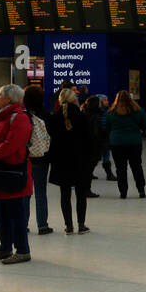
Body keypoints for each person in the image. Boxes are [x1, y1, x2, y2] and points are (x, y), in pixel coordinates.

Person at [0, 84, 33, 265]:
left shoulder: (20, 118)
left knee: (17, 214)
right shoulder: (1, 116)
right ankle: (5, 248)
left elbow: (12, 145)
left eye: (0, 95)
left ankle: (22, 250)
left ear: (9, 98)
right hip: (0, 171)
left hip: (13, 172)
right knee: (2, 213)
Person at [48, 87, 92, 234]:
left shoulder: (54, 118)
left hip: (61, 161)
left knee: (65, 194)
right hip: (80, 160)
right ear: (74, 99)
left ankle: (68, 226)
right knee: (81, 193)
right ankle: (81, 224)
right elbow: (89, 139)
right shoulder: (82, 117)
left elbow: (51, 141)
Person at [106, 90, 146, 198]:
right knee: (136, 167)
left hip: (117, 143)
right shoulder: (138, 111)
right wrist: (141, 134)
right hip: (134, 143)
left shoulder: (111, 112)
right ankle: (141, 190)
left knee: (120, 169)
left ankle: (123, 192)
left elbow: (107, 128)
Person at [22, 85, 54, 236]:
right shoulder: (45, 114)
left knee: (25, 192)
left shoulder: (22, 114)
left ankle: (23, 224)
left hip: (24, 157)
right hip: (41, 157)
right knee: (41, 191)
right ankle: (42, 225)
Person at [83, 95, 105, 196]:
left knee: (86, 169)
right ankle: (87, 189)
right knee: (89, 169)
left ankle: (84, 188)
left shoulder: (83, 114)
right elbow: (97, 132)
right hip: (93, 146)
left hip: (85, 145)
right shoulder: (97, 116)